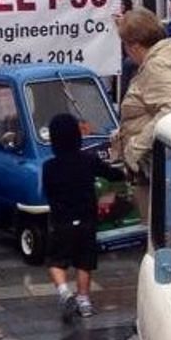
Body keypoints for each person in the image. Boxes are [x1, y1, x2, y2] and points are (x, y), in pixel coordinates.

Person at [113, 6, 171, 222]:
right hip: (163, 165)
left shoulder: (157, 66)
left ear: (133, 45)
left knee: (164, 234)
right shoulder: (166, 57)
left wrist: (135, 147)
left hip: (160, 168)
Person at [43, 113, 125, 321]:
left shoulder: (49, 166)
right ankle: (84, 302)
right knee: (84, 262)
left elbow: (48, 192)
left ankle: (64, 292)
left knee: (56, 261)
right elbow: (112, 174)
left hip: (61, 221)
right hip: (87, 220)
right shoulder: (88, 160)